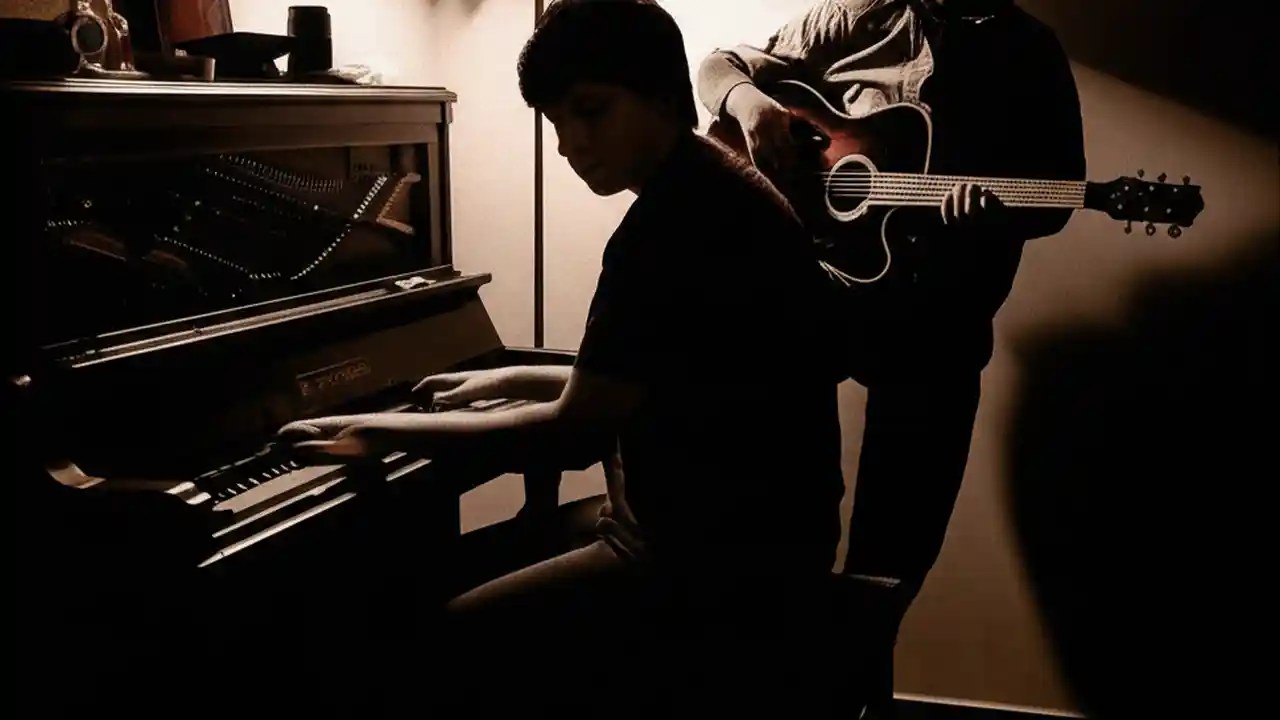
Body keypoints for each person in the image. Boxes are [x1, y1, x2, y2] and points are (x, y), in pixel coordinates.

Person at [276, 0, 851, 714]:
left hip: (709, 563)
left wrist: (375, 431)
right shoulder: (714, 181)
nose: (569, 144)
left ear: (665, 95)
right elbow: (655, 382)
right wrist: (509, 377)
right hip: (747, 532)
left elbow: (576, 430)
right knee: (430, 577)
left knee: (435, 635)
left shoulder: (665, 232)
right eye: (557, 121)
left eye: (591, 111)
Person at [696, 0, 1087, 704]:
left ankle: (855, 691)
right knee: (773, 525)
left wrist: (992, 213)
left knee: (890, 566)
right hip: (817, 299)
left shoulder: (1029, 49)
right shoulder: (848, 17)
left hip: (939, 322)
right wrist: (747, 100)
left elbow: (1059, 193)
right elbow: (717, 66)